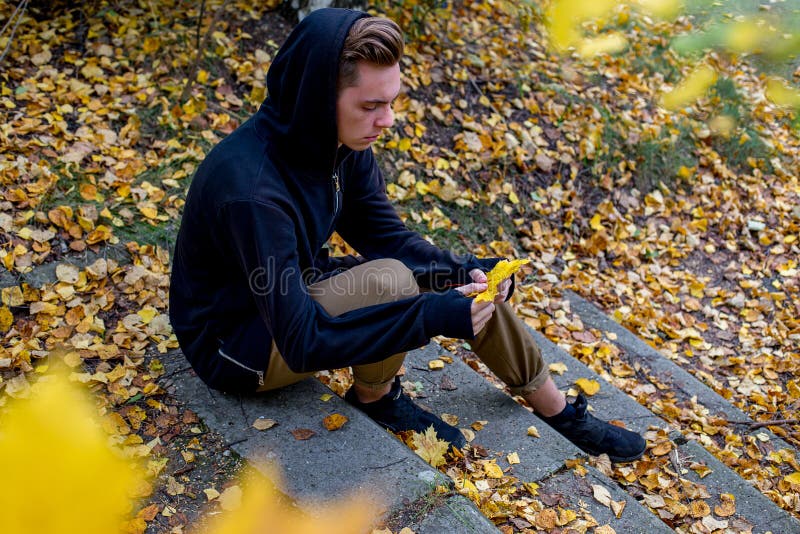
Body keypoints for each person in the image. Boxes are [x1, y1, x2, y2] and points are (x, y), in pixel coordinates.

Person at [168, 8, 646, 462]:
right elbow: (303, 342)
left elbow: (388, 238)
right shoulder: (252, 191)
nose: (388, 120)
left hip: (291, 291)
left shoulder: (339, 145)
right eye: (371, 106)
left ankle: (557, 410)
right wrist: (431, 315)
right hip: (238, 347)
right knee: (392, 281)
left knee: (456, 281)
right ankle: (376, 397)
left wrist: (468, 272)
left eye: (391, 102)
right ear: (318, 98)